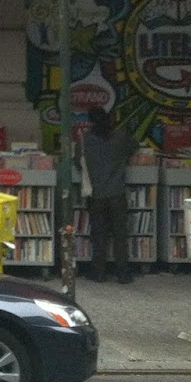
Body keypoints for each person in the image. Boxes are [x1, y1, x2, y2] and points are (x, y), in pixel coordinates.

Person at [82, 107, 138, 283]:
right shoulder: (121, 137)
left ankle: (98, 272)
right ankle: (123, 273)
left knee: (99, 235)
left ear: (91, 122)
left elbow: (78, 162)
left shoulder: (85, 140)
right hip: (117, 192)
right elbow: (134, 147)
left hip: (96, 194)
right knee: (120, 234)